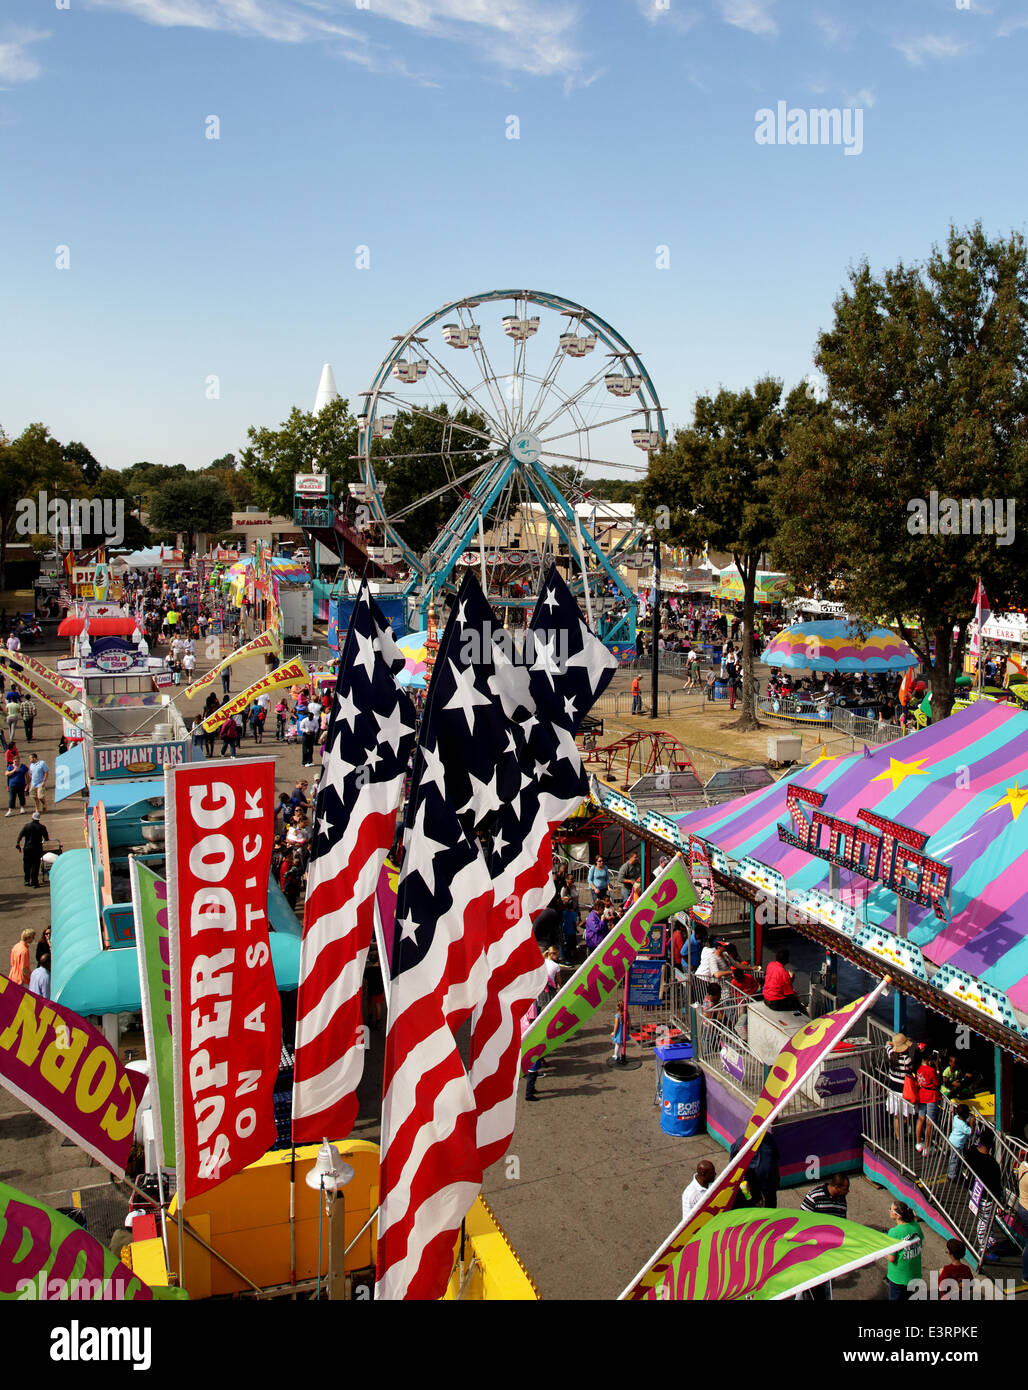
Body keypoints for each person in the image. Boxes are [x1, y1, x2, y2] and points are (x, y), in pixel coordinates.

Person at [801, 1174, 850, 1300]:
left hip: (829, 1250)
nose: (848, 1192)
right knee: (809, 1284)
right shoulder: (814, 1196)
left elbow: (842, 1224)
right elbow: (802, 1222)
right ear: (836, 1187)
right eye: (845, 1189)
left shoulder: (841, 1200)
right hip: (812, 1249)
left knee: (825, 1284)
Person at [885, 1200, 923, 1301]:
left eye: (891, 1210)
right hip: (914, 1274)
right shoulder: (916, 1226)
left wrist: (882, 1251)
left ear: (898, 1216)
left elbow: (891, 1258)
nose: (889, 1211)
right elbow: (920, 1242)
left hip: (898, 1277)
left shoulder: (894, 1232)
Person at [884, 1033, 916, 1143]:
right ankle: (901, 1133)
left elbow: (887, 1045)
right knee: (905, 1116)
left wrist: (893, 1044)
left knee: (897, 1115)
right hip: (904, 1091)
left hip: (893, 1090)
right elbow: (911, 1070)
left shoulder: (891, 1054)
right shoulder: (907, 1060)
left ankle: (897, 1136)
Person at [914, 1047, 941, 1153]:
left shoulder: (919, 1068)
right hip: (931, 1096)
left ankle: (918, 1143)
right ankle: (927, 1146)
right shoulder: (930, 1070)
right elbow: (936, 1083)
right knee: (930, 1122)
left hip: (922, 1094)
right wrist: (937, 1068)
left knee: (920, 1119)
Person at [761, 948, 804, 1012]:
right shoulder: (783, 973)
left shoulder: (770, 965)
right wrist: (791, 978)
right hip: (775, 1003)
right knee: (796, 1003)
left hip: (766, 998)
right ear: (786, 959)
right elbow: (789, 992)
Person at [947, 1103, 973, 1180]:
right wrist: (972, 1124)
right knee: (954, 1159)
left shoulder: (956, 1118)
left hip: (953, 1140)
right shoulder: (962, 1125)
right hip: (957, 1144)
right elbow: (970, 1131)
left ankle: (956, 1172)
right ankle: (952, 1175)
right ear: (965, 1115)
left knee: (955, 1158)